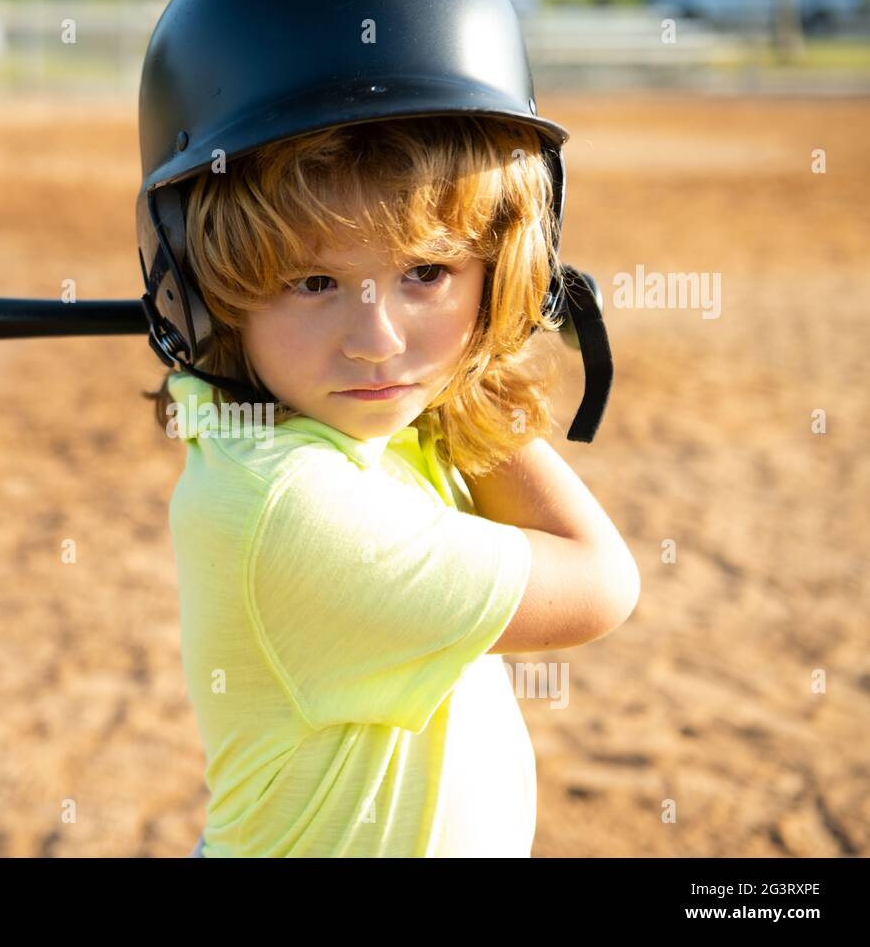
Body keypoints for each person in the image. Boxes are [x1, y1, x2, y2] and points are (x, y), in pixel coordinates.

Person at [153, 112, 639, 857]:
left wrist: (472, 348)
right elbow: (600, 583)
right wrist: (483, 372)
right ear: (203, 290)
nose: (378, 344)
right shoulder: (291, 504)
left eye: (425, 273)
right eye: (315, 282)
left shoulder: (346, 428)